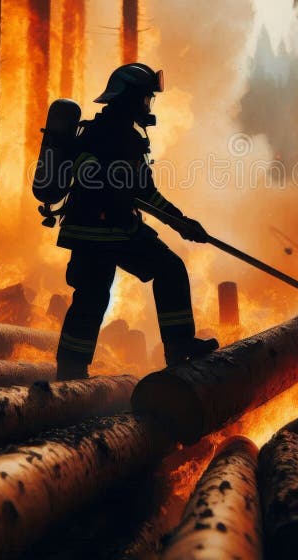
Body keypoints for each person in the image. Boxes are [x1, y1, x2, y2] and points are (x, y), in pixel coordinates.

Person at [54, 63, 218, 380]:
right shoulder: (108, 134)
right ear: (129, 98)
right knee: (120, 285)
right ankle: (177, 347)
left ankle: (71, 368)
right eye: (145, 98)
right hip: (100, 231)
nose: (148, 105)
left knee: (95, 294)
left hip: (108, 230)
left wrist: (181, 222)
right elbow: (88, 170)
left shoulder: (120, 134)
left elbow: (146, 193)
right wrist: (109, 184)